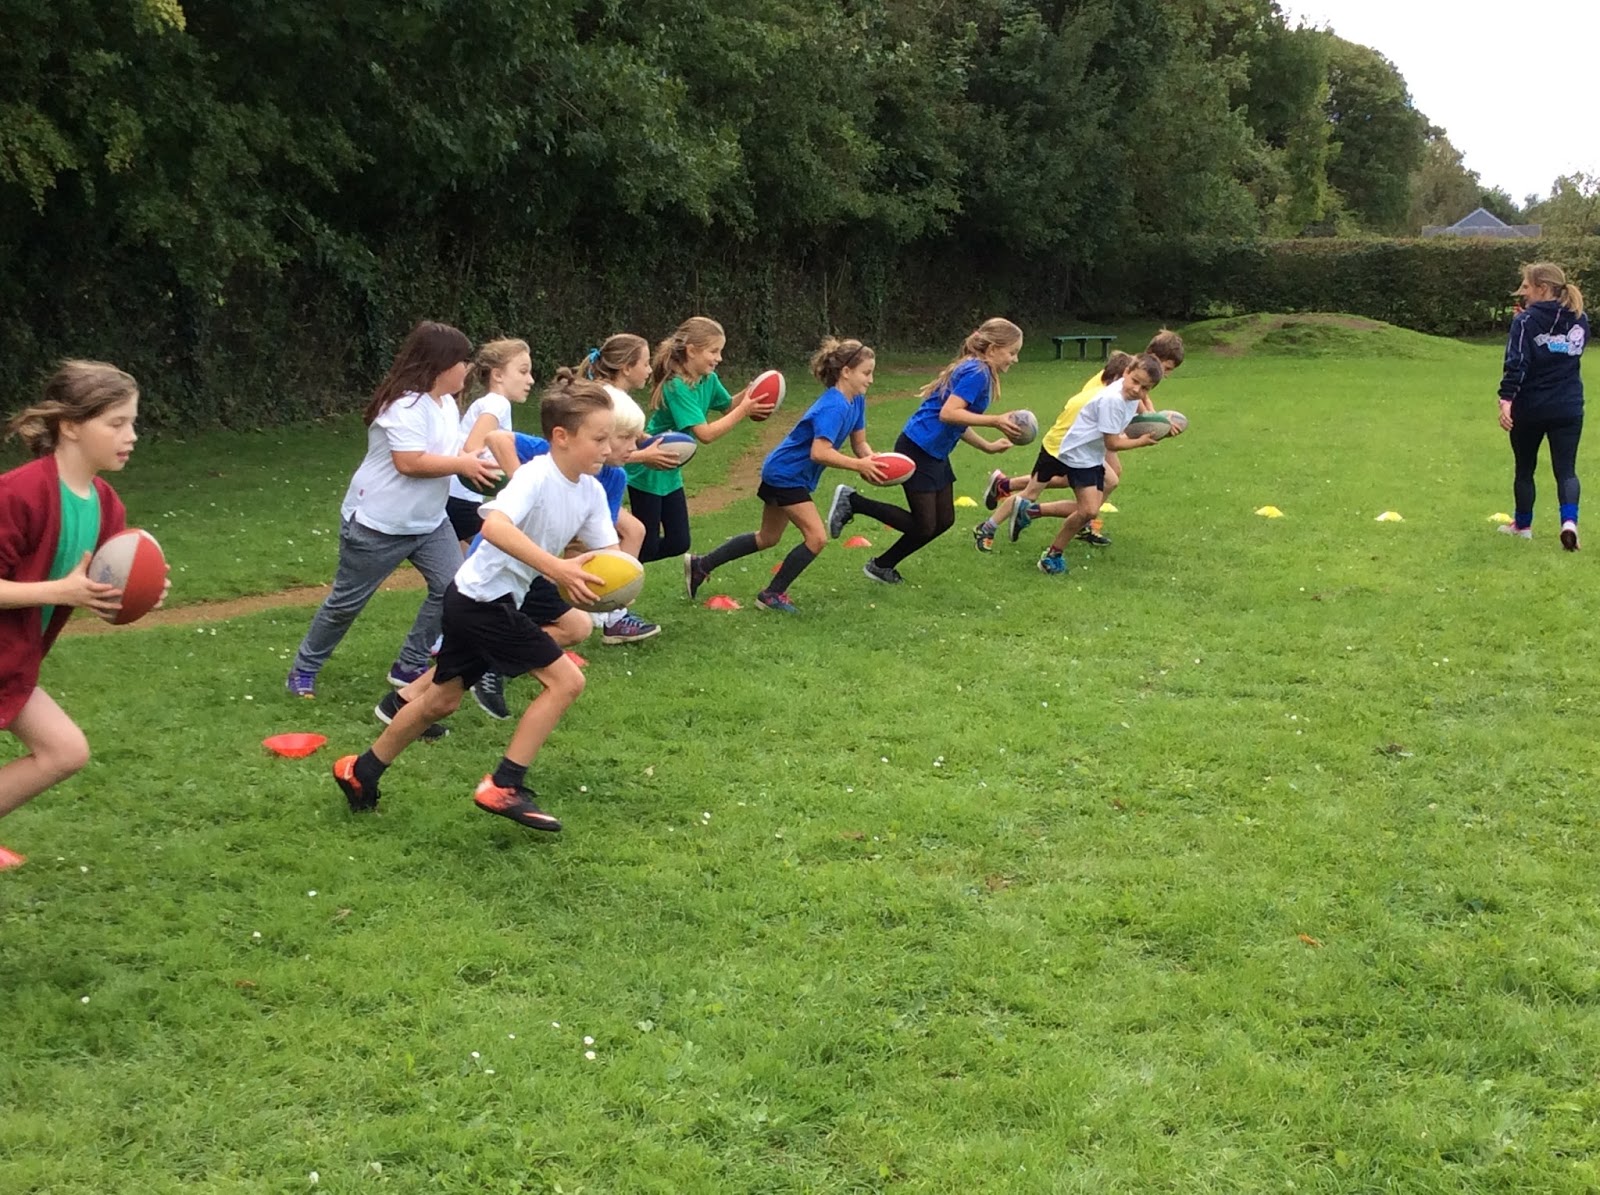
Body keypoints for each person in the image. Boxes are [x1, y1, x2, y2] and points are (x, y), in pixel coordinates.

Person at [332, 377, 619, 834]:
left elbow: (611, 555)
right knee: (566, 681)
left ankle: (360, 770)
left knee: (440, 701)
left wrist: (613, 577)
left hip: (480, 598)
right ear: (561, 437)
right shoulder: (536, 475)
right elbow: (496, 527)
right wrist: (558, 569)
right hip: (483, 600)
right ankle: (505, 784)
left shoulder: (589, 491)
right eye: (600, 439)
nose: (609, 448)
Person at [0, 361, 166, 871]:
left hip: (14, 660)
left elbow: (98, 587)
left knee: (65, 751)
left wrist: (136, 593)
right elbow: (63, 589)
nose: (130, 436)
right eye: (115, 423)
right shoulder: (19, 493)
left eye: (132, 422)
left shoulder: (104, 504)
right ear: (69, 425)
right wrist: (62, 591)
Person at [284, 321, 498, 699]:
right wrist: (462, 466)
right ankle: (304, 669)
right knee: (346, 604)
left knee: (454, 587)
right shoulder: (404, 406)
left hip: (429, 522)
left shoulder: (445, 403)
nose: (466, 368)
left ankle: (410, 663)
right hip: (377, 524)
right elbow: (410, 462)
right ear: (440, 364)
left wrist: (473, 459)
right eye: (461, 360)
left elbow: (446, 453)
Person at [686, 338, 885, 612]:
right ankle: (772, 594)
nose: (871, 379)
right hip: (786, 474)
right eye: (866, 372)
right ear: (846, 372)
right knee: (816, 538)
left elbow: (859, 443)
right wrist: (858, 466)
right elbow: (820, 452)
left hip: (789, 473)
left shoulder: (856, 401)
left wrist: (871, 461)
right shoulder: (834, 406)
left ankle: (701, 564)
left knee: (768, 537)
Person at [827, 318, 1021, 583]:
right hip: (919, 447)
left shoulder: (979, 371)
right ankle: (853, 502)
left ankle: (881, 566)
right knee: (924, 524)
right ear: (992, 349)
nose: (1015, 359)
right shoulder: (977, 372)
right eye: (1012, 352)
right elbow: (949, 413)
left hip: (934, 451)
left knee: (944, 520)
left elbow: (958, 420)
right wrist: (995, 421)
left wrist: (986, 446)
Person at [983, 330, 1186, 545]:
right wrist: (1155, 430)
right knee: (1095, 486)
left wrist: (1162, 424)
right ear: (1153, 356)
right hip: (1074, 434)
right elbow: (1131, 423)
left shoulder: (1138, 372)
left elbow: (1144, 412)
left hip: (1086, 434)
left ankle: (1008, 489)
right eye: (1167, 368)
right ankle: (1017, 514)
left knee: (1096, 483)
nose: (1166, 374)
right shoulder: (1127, 379)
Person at [625, 317, 762, 564]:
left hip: (671, 468)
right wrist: (745, 411)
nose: (719, 358)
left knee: (679, 541)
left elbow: (728, 405)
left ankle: (620, 557)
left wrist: (751, 392)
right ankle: (612, 561)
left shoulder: (708, 380)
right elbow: (705, 434)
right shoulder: (676, 386)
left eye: (720, 351)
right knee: (646, 547)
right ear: (691, 351)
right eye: (714, 351)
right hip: (649, 467)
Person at [1035, 353, 1169, 575]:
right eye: (1135, 381)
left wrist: (1164, 425)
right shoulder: (1112, 400)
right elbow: (1113, 443)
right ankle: (1051, 556)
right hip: (1079, 455)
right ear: (1125, 372)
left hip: (1090, 455)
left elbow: (1142, 418)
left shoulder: (1130, 395)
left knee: (1089, 509)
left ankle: (1031, 514)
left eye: (1145, 388)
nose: (1137, 390)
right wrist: (1141, 442)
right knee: (1088, 510)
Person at [1497, 262, 1588, 549]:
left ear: (1543, 288)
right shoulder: (1579, 318)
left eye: (1527, 287)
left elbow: (1517, 364)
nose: (1523, 294)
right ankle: (1569, 522)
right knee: (1567, 470)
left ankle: (1523, 525)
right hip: (1569, 407)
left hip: (1531, 407)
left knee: (1525, 469)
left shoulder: (1525, 322)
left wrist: (1505, 399)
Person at [444, 338, 535, 548]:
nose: (530, 380)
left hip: (455, 496)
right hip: (462, 500)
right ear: (498, 375)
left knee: (465, 569)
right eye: (523, 371)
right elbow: (472, 449)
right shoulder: (498, 403)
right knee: (507, 552)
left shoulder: (488, 402)